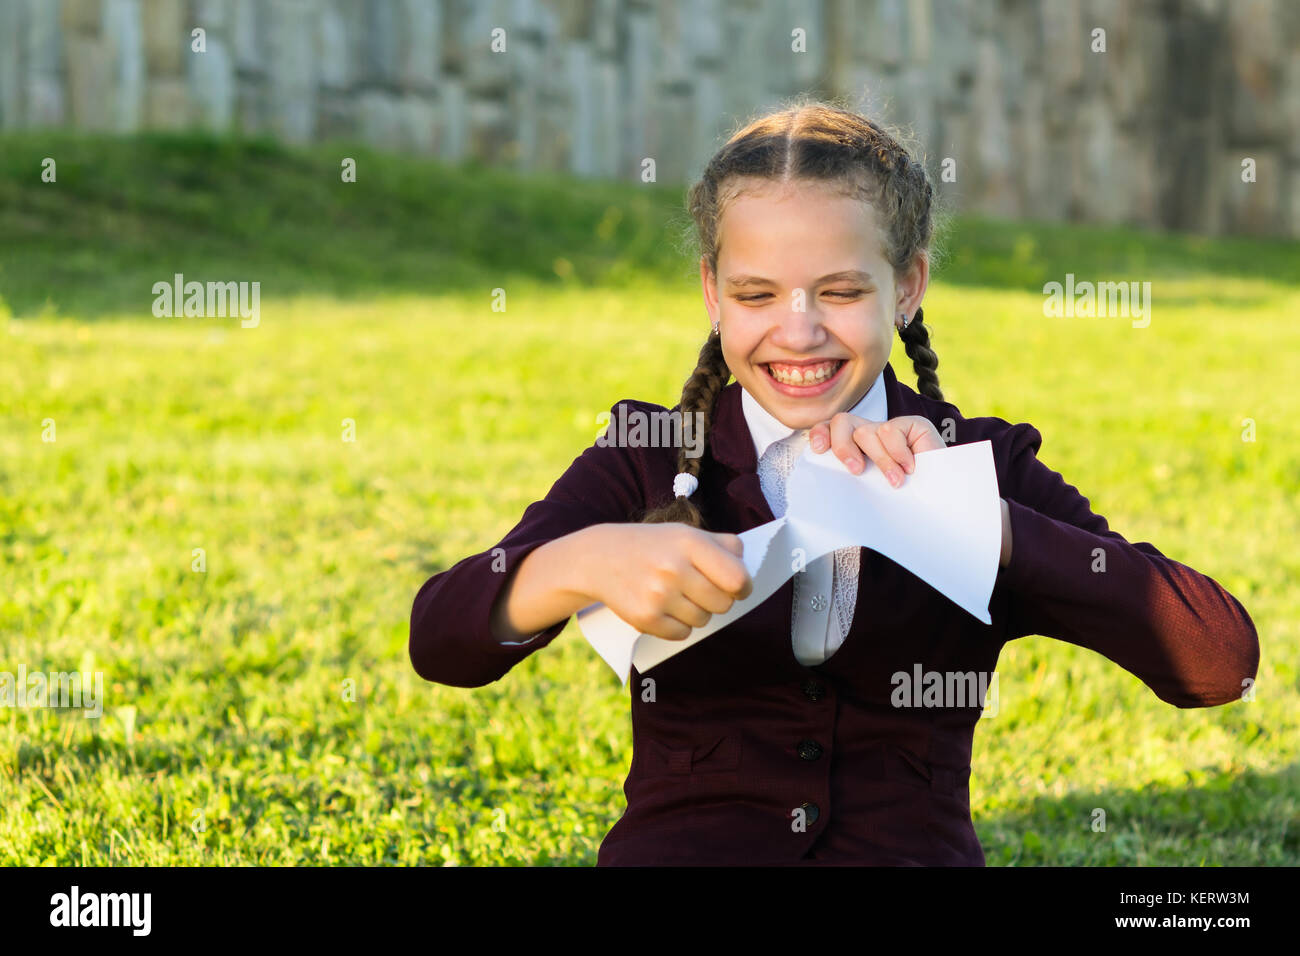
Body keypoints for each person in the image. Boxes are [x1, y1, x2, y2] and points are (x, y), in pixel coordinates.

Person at [409, 98, 1260, 866]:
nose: (799, 329)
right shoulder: (651, 449)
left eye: (842, 290)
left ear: (908, 287)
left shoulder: (979, 464)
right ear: (713, 294)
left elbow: (1218, 663)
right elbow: (441, 642)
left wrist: (965, 513)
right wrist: (577, 564)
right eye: (756, 294)